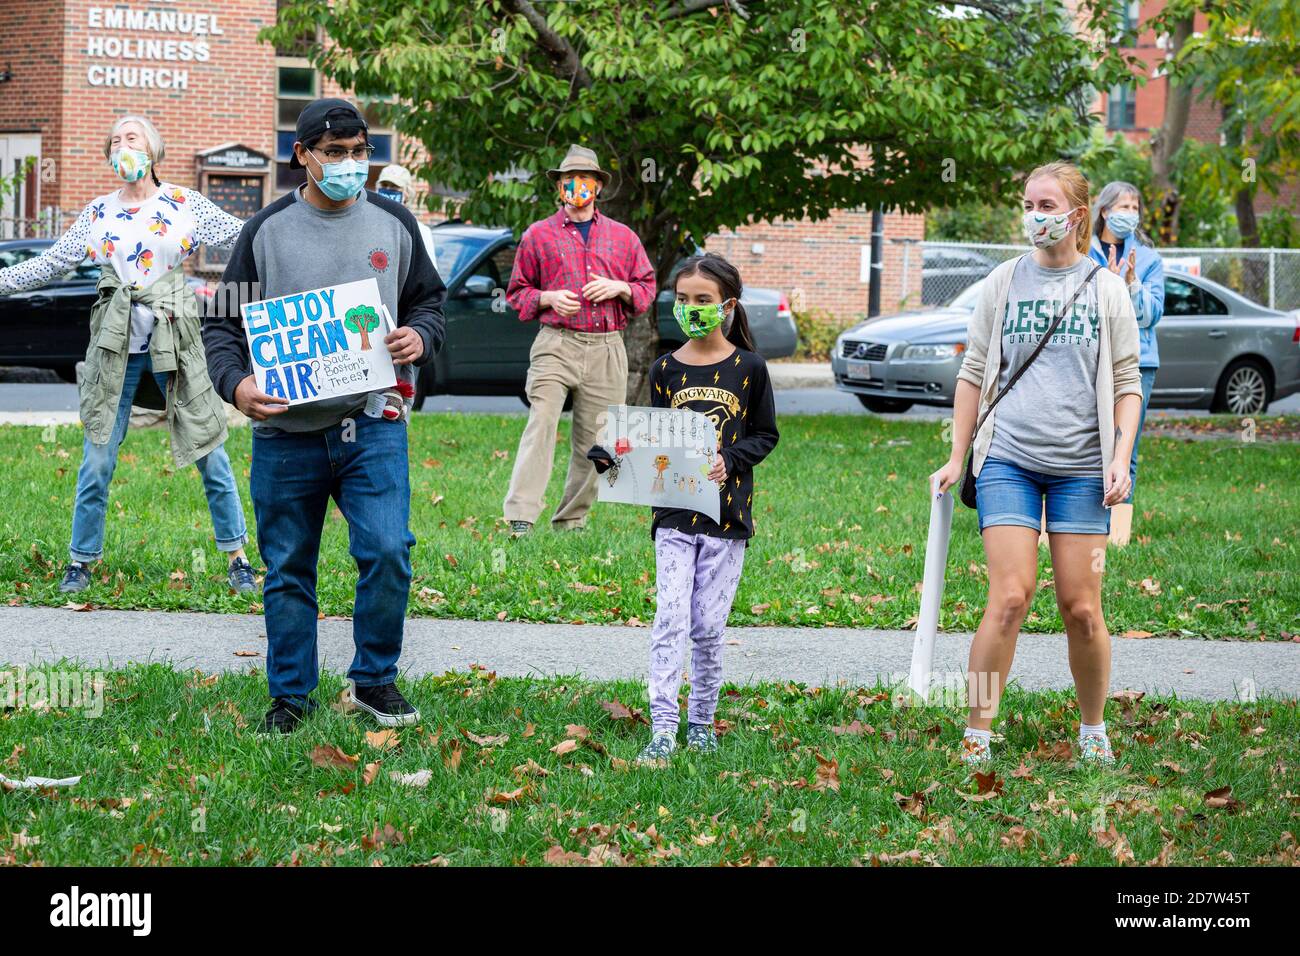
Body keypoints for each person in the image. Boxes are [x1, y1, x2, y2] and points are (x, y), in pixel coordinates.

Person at [203, 99, 446, 734]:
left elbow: (430, 303)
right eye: (333, 152)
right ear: (303, 156)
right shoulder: (263, 232)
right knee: (287, 566)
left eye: (359, 151)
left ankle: (374, 681)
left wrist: (420, 337)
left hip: (374, 422)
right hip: (286, 431)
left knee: (389, 550)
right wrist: (237, 386)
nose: (348, 164)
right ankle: (290, 697)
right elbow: (222, 326)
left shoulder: (395, 224)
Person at [931, 161, 1142, 767]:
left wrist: (1120, 460)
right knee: (1010, 598)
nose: (1034, 218)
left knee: (1081, 607)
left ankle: (1094, 729)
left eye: (1047, 207)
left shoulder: (1107, 290)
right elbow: (973, 373)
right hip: (1009, 461)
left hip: (1082, 467)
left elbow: (1127, 382)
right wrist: (955, 456)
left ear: (1078, 217)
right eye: (1029, 205)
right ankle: (978, 727)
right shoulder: (1003, 282)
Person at [0, 115, 255, 594]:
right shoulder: (98, 212)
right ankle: (80, 561)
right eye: (115, 140)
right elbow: (52, 262)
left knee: (211, 452)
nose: (123, 146)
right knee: (97, 459)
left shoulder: (184, 203)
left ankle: (238, 558)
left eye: (131, 138)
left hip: (175, 341)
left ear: (153, 149)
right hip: (114, 349)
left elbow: (250, 236)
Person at [593, 253, 778, 765]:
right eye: (684, 299)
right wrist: (610, 455)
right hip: (673, 517)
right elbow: (648, 436)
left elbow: (765, 434)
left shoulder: (749, 368)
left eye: (704, 300)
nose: (692, 309)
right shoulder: (665, 368)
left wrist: (730, 459)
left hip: (726, 520)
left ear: (728, 306)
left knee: (707, 627)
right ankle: (663, 725)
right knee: (670, 618)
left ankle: (701, 721)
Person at [502, 144, 656, 536]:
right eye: (568, 181)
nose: (576, 187)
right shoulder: (538, 235)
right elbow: (517, 293)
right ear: (559, 188)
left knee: (598, 438)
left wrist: (620, 287)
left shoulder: (623, 238)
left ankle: (571, 519)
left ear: (598, 187)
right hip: (556, 342)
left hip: (607, 345)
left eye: (585, 180)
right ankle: (521, 516)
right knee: (542, 422)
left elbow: (646, 288)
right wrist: (547, 298)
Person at [1089, 181, 1165, 546]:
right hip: (1090, 356)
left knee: (1125, 443)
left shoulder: (1149, 259)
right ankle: (1080, 518)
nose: (1130, 215)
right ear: (1104, 211)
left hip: (1139, 362)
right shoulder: (1082, 251)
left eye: (1135, 208)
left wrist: (1131, 283)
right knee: (1086, 437)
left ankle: (1116, 531)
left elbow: (1150, 317)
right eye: (1123, 207)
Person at [376, 164, 438, 270]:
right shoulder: (367, 225)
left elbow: (429, 274)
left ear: (407, 194)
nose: (388, 189)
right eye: (384, 185)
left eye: (394, 186)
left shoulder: (420, 231)